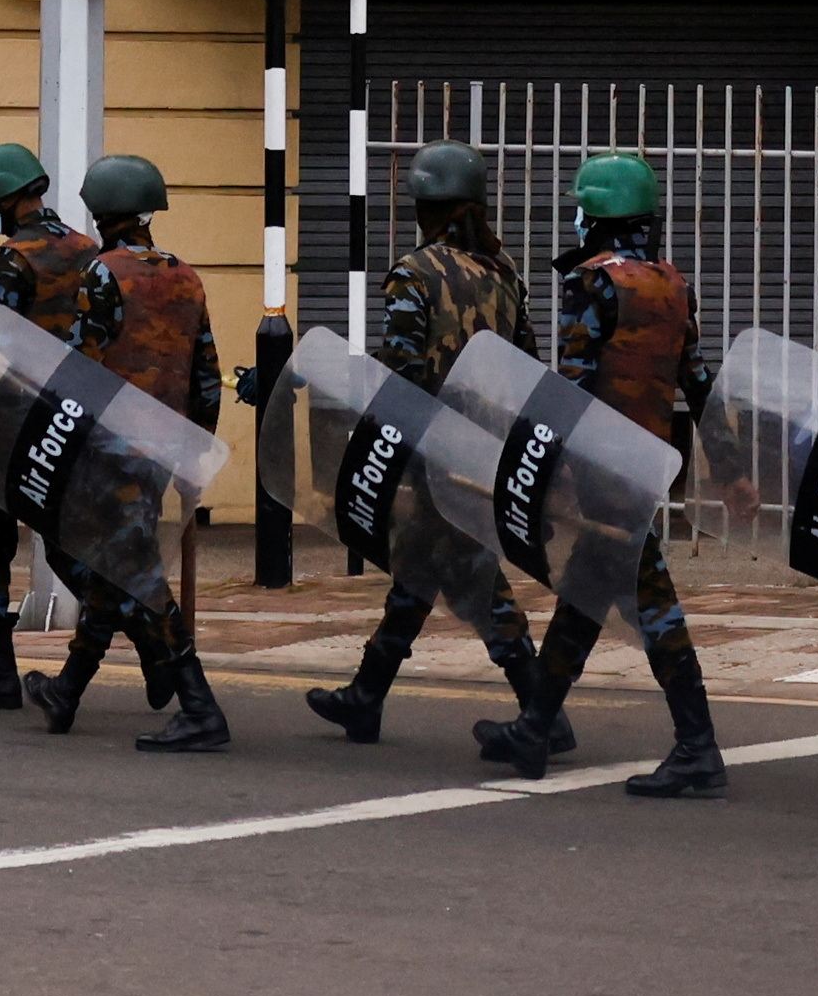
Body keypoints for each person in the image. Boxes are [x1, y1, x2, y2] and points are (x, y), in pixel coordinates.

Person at [477, 150, 725, 794]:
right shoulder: (673, 283)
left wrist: (552, 473)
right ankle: (535, 727)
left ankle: (698, 747)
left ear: (596, 213)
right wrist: (728, 464)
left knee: (653, 604)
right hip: (648, 464)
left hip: (602, 470)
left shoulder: (591, 282)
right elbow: (697, 381)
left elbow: (575, 385)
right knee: (586, 595)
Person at [305, 141, 552, 751]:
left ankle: (545, 714)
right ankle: (365, 698)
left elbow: (403, 372)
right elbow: (529, 365)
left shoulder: (415, 273)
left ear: (425, 205)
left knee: (474, 577)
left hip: (437, 452)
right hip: (487, 447)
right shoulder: (504, 273)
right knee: (417, 571)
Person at [20, 155, 230, 752]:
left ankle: (199, 705)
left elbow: (78, 370)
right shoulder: (187, 277)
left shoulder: (103, 274)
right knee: (116, 571)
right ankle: (66, 691)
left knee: (137, 575)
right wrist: (195, 452)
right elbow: (206, 375)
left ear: (102, 211)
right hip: (165, 447)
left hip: (110, 451)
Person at [0, 143, 99, 711]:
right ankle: (153, 645)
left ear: (6, 198)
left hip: (11, 427)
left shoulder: (12, 259)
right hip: (74, 423)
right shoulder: (88, 251)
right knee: (70, 546)